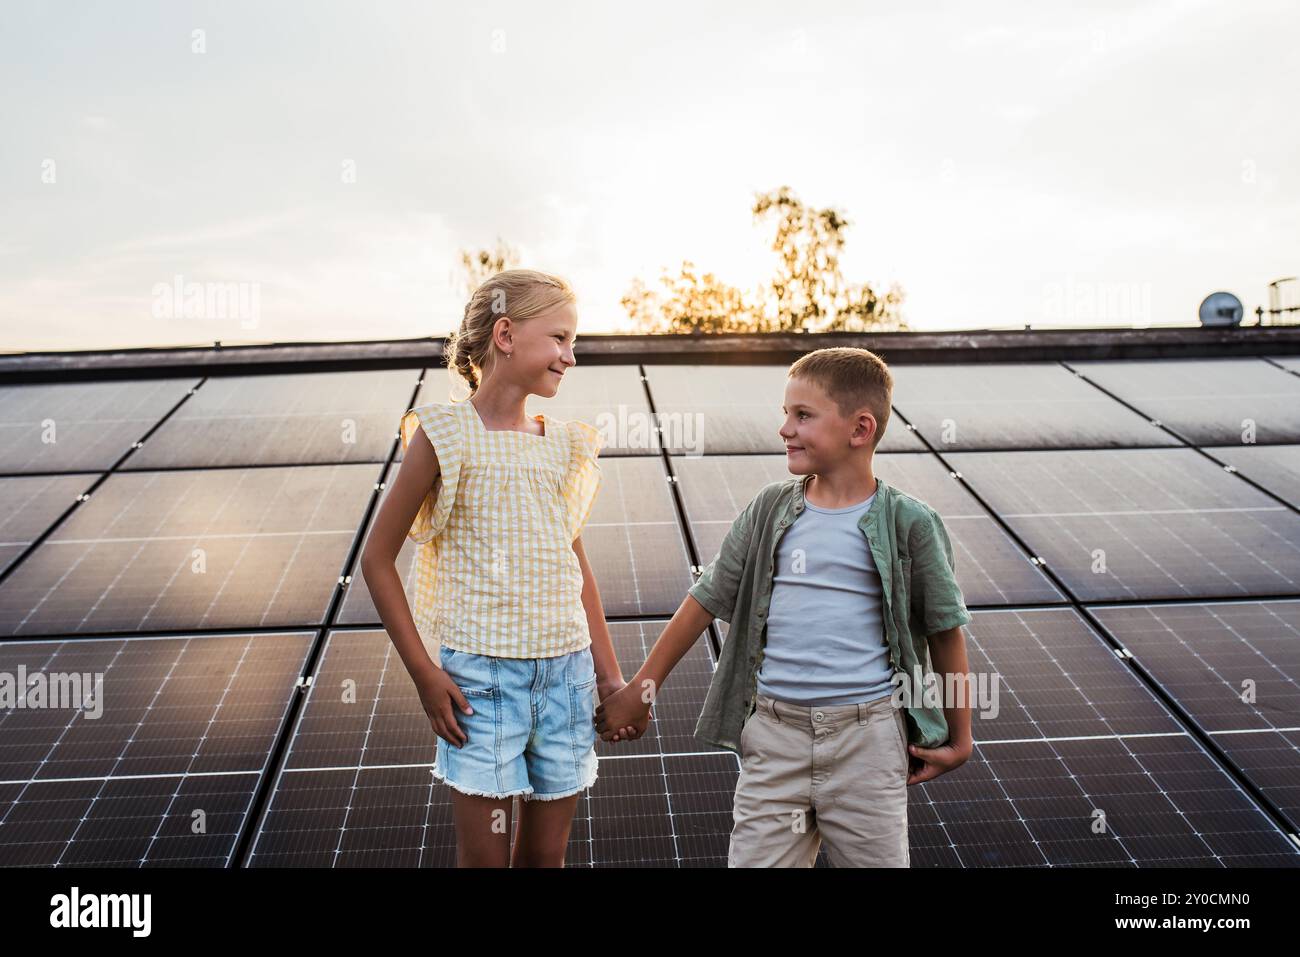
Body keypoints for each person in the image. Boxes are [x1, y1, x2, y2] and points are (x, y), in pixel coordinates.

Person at [595, 346, 975, 867]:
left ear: (859, 429)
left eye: (803, 416)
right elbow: (705, 600)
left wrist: (961, 736)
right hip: (774, 738)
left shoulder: (910, 523)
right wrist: (642, 689)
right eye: (785, 415)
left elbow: (945, 630)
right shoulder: (770, 508)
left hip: (868, 742)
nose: (785, 430)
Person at [361, 268, 635, 867]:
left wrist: (611, 678)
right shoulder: (443, 434)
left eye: (574, 343)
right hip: (479, 683)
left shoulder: (563, 445)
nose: (570, 355)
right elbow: (376, 559)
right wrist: (424, 673)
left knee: (546, 859)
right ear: (506, 335)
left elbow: (576, 567)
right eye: (560, 339)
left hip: (566, 678)